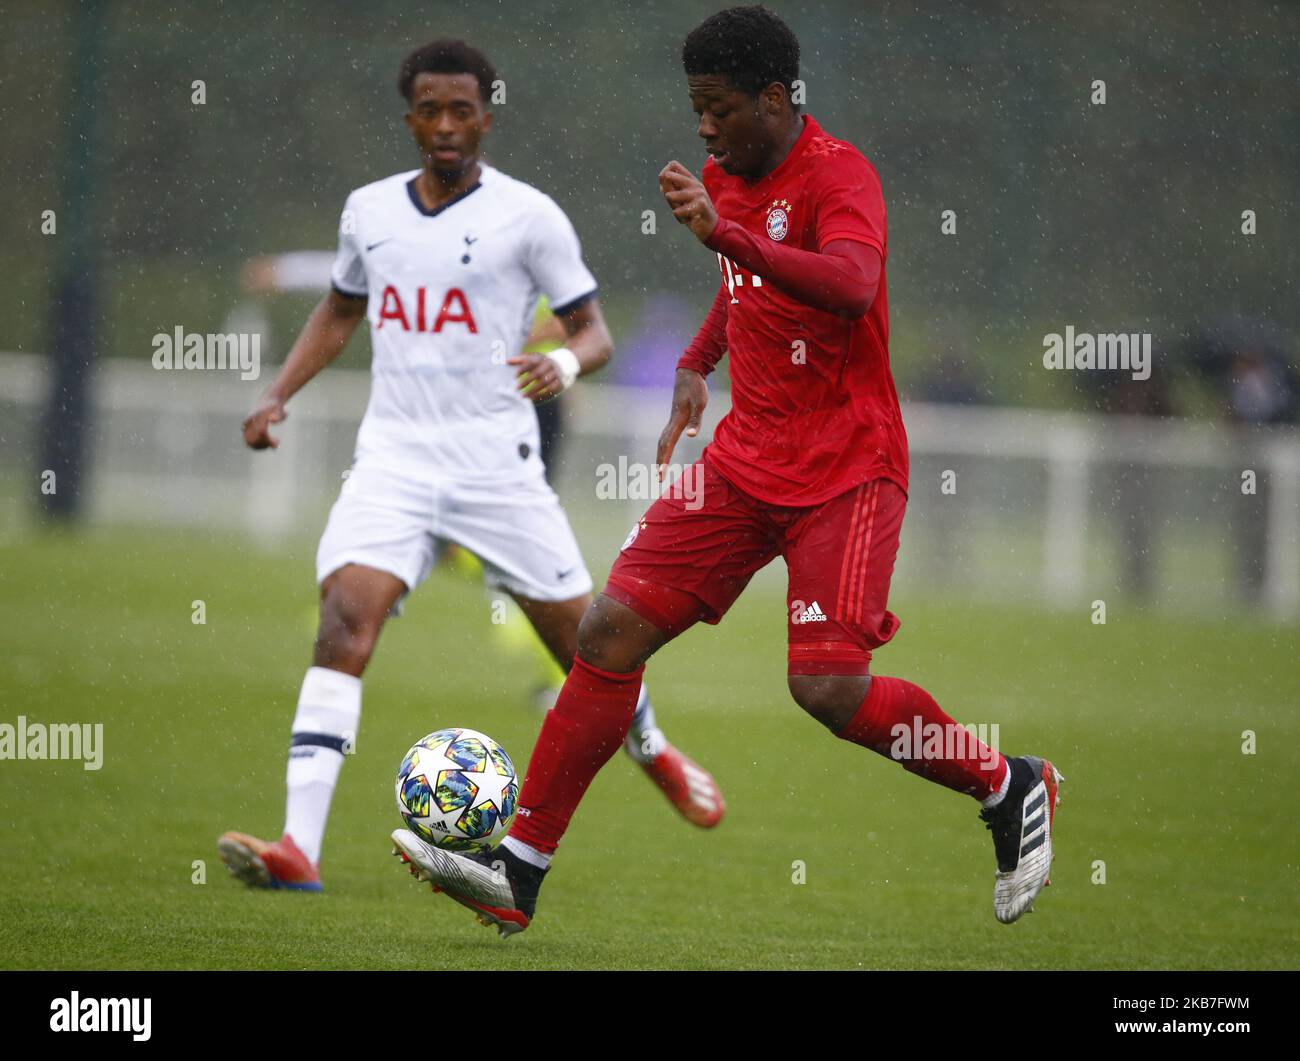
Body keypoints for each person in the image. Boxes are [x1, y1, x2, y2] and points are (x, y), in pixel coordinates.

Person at [391, 7, 1063, 935]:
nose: (703, 128)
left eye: (718, 109)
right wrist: (694, 365)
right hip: (745, 456)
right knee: (608, 631)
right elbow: (738, 287)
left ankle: (1008, 781)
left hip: (847, 466)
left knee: (826, 688)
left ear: (774, 100)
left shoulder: (842, 176)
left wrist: (728, 238)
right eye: (694, 109)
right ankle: (518, 870)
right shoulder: (724, 177)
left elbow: (850, 283)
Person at [218, 39, 724, 893]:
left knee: (590, 648)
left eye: (463, 110)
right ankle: (299, 846)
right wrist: (278, 394)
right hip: (393, 463)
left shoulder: (530, 216)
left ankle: (656, 751)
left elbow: (591, 329)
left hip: (498, 469)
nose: (446, 126)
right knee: (343, 624)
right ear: (410, 116)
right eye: (430, 109)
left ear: (488, 116)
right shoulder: (369, 211)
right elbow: (340, 311)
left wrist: (560, 366)